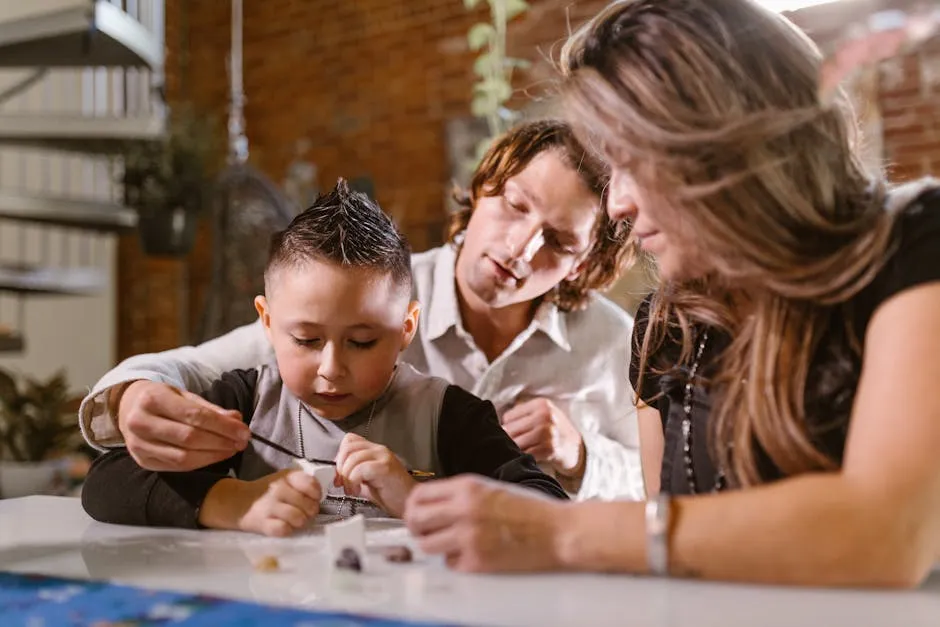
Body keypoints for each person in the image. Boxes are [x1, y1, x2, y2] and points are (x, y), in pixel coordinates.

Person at [401, 0, 940, 587]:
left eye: (632, 162)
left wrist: (555, 532)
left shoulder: (915, 242)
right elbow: (673, 562)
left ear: (719, 141)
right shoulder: (668, 325)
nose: (617, 205)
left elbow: (887, 535)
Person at [78, 119, 644, 500]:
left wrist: (581, 455)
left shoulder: (614, 343)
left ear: (583, 263)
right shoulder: (372, 295)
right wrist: (130, 398)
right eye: (515, 205)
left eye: (559, 242)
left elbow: (662, 489)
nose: (520, 248)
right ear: (481, 191)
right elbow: (195, 369)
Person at [81, 180, 566, 536]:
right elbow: (106, 483)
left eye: (362, 342)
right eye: (307, 340)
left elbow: (550, 511)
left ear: (405, 330)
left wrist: (417, 499)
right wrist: (232, 502)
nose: (332, 369)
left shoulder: (448, 415)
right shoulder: (247, 401)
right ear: (268, 323)